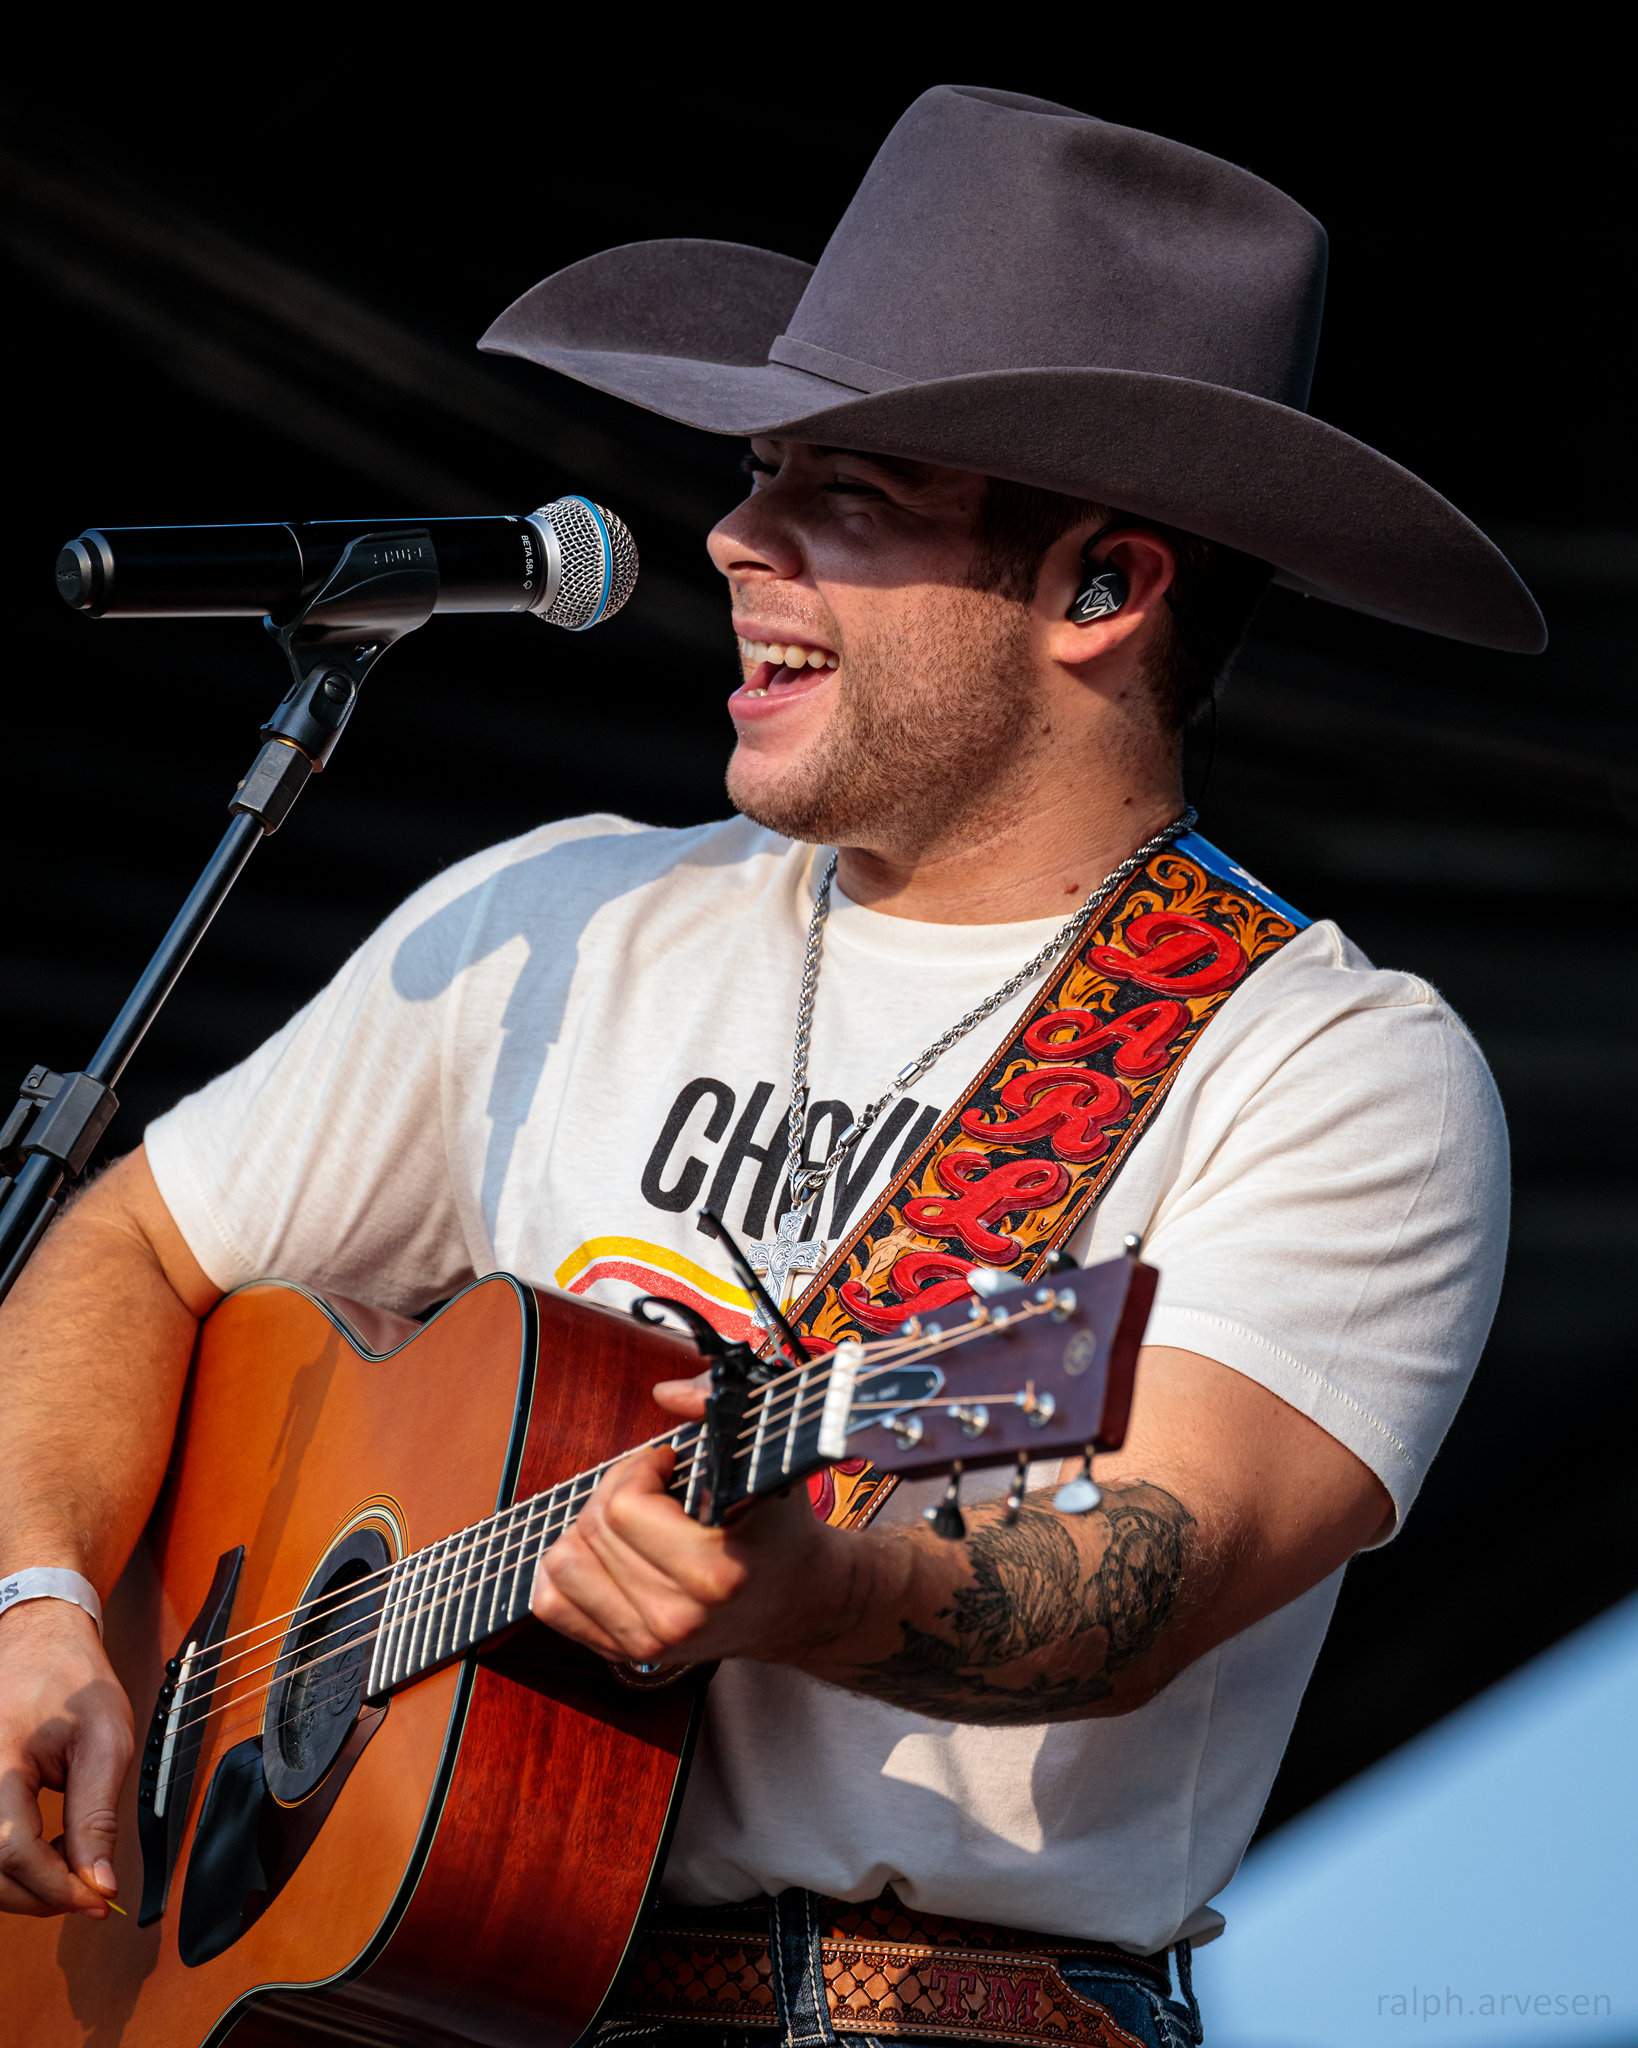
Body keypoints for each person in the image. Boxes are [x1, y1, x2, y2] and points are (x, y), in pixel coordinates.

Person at [0, 86, 1539, 2048]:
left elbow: (1159, 1563)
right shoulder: (558, 918)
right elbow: (133, 1243)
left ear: (1099, 588)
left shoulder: (1325, 1064)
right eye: (756, 470)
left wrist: (816, 1588)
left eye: (850, 492)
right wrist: (42, 1606)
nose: (735, 532)